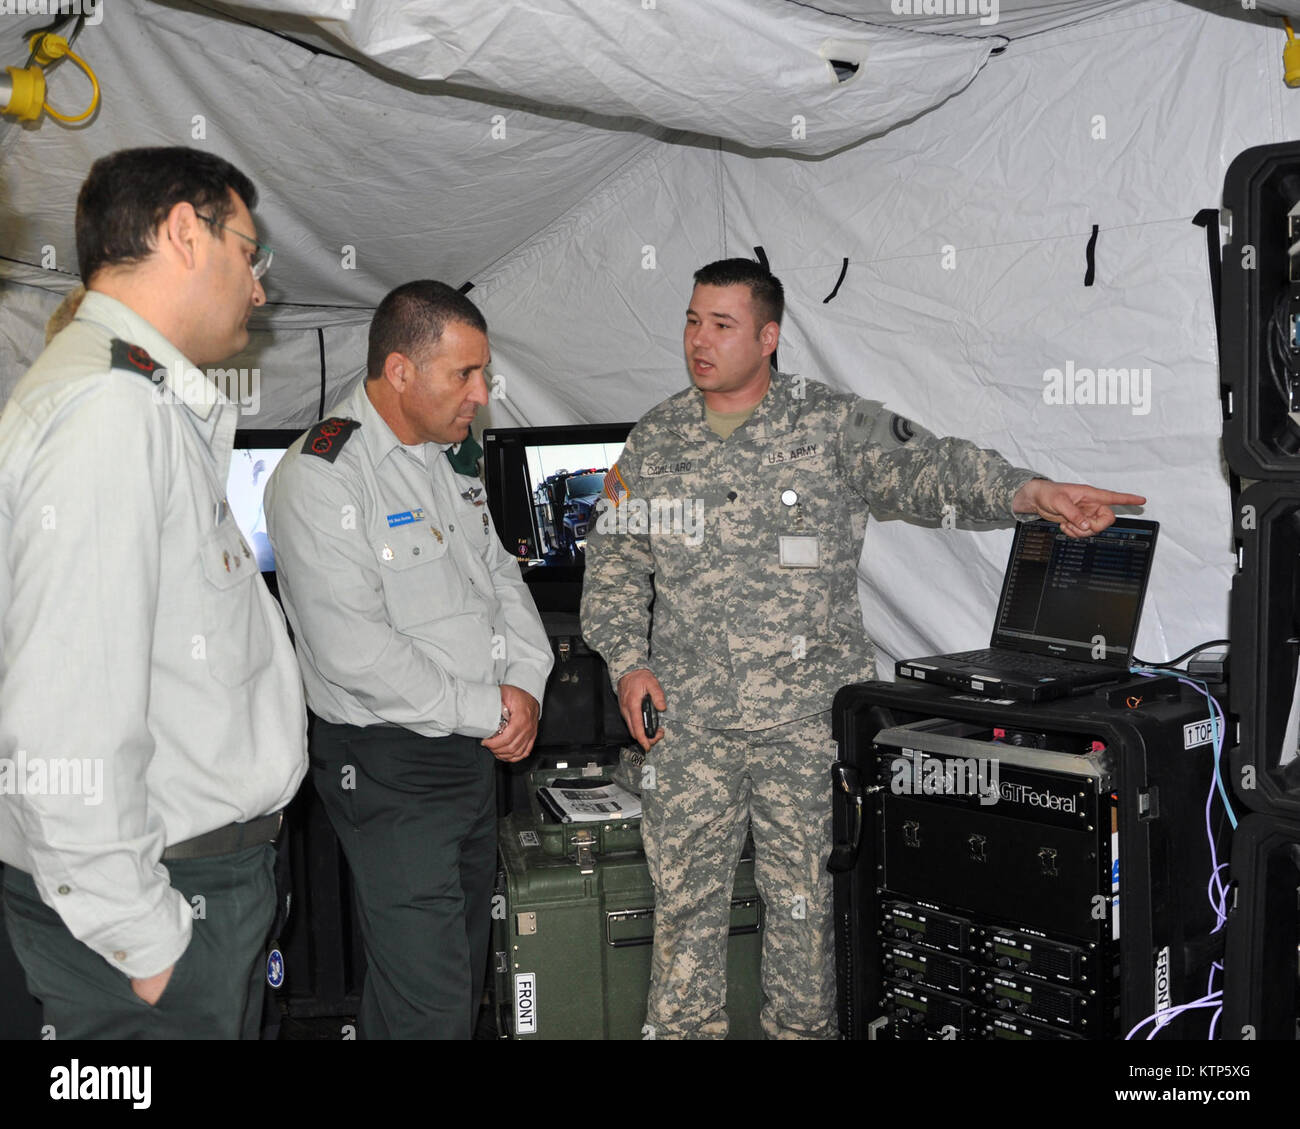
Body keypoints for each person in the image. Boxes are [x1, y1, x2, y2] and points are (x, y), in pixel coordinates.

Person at [580, 257, 1145, 1040]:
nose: (698, 340)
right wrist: (626, 659)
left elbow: (933, 468)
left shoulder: (830, 424)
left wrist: (1032, 494)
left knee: (808, 921)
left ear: (769, 335)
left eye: (721, 324)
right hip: (690, 728)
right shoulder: (657, 439)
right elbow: (614, 556)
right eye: (691, 320)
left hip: (806, 727)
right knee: (684, 914)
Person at [0, 147, 307, 1039]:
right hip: (159, 905)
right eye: (250, 253)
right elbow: (64, 712)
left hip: (181, 885)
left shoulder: (129, 399)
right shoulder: (111, 411)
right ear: (184, 231)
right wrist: (148, 938)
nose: (258, 288)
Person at [264, 280, 553, 1039]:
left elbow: (500, 575)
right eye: (464, 374)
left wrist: (524, 680)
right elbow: (353, 651)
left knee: (445, 982)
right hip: (387, 761)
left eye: (481, 373)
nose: (481, 393)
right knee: (433, 997)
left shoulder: (446, 459)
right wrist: (490, 706)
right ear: (399, 371)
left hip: (469, 752)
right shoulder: (322, 475)